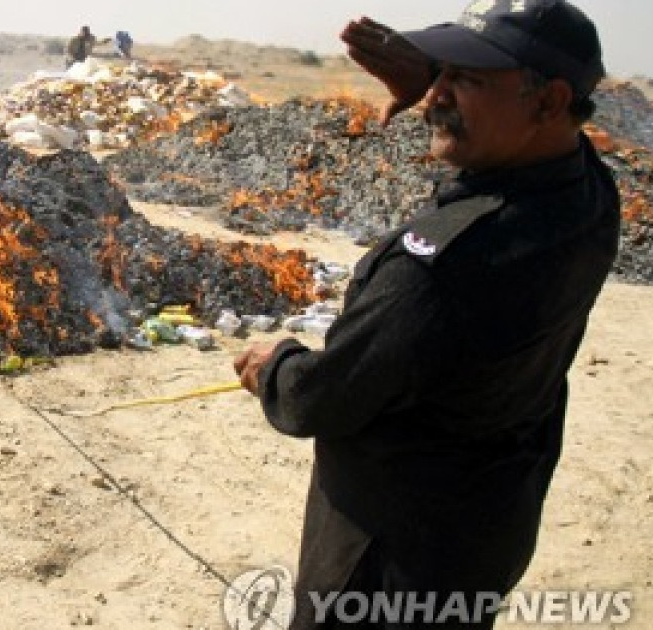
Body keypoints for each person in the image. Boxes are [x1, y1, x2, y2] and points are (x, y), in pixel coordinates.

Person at [232, 1, 620, 628]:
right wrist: (448, 90)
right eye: (441, 71)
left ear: (549, 101)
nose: (437, 94)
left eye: (466, 79)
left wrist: (275, 365)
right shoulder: (588, 197)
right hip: (486, 526)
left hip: (385, 560)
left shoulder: (441, 269)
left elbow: (321, 400)